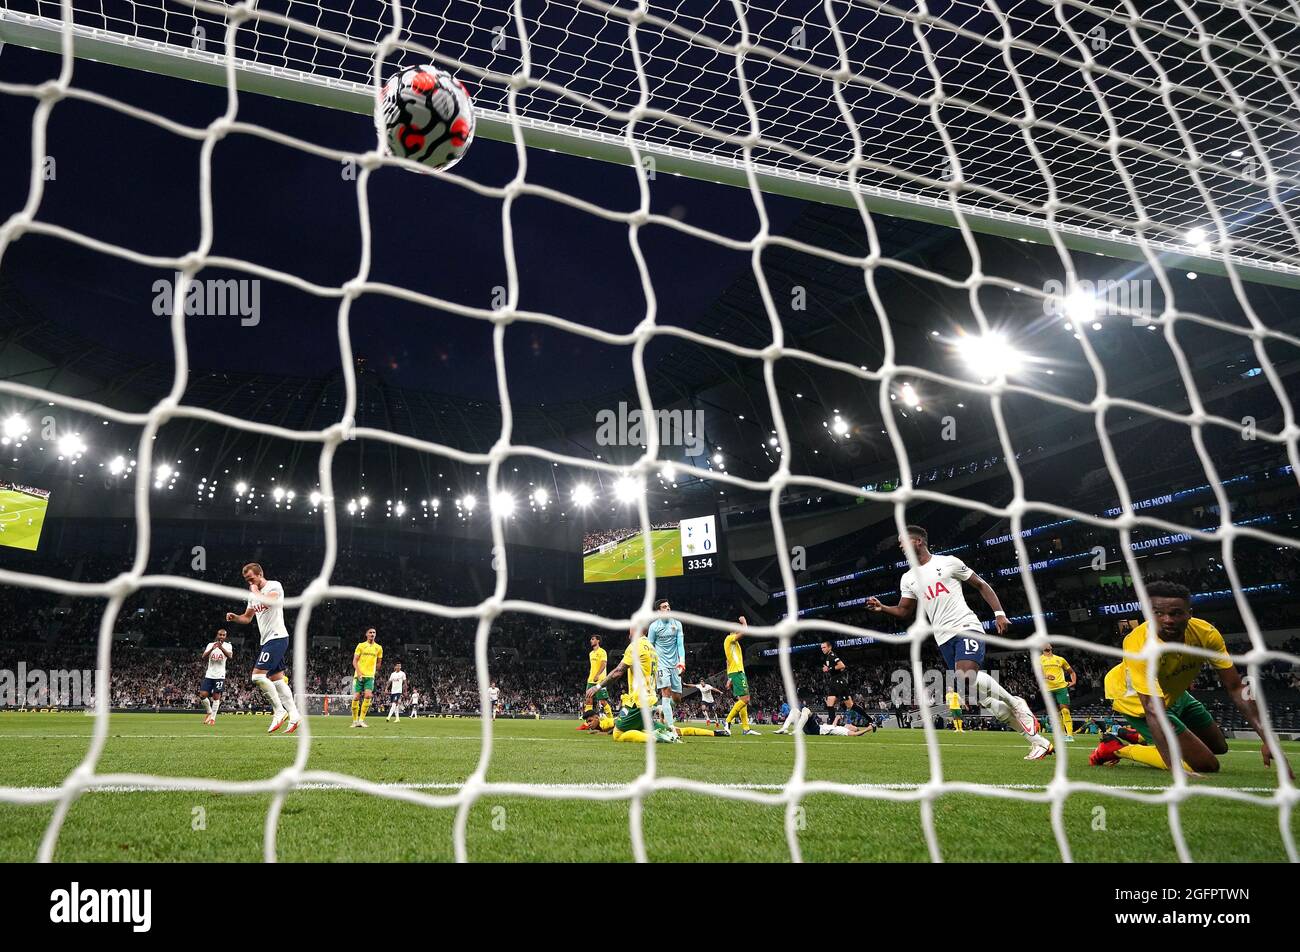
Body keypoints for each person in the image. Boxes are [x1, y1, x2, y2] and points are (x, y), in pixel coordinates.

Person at [867, 525, 1052, 760]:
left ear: (918, 542)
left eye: (903, 541)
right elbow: (904, 611)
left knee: (966, 676)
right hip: (943, 639)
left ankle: (1016, 702)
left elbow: (981, 584)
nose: (900, 546)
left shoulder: (948, 562)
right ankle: (1039, 742)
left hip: (966, 626)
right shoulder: (908, 578)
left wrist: (999, 613)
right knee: (985, 700)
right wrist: (883, 608)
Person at [1091, 580, 1294, 778]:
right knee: (1207, 764)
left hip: (1176, 693)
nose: (1167, 620)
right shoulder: (1139, 645)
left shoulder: (1206, 634)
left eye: (1176, 613)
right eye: (1158, 613)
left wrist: (1268, 740)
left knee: (1219, 746)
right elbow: (1153, 709)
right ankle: (1117, 748)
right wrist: (1175, 769)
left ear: (1189, 614)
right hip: (1136, 699)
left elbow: (1235, 687)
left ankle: (1139, 736)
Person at [225, 562, 301, 734]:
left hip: (278, 637)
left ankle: (279, 711)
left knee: (257, 676)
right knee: (278, 680)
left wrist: (255, 591)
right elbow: (247, 618)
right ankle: (295, 715)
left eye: (251, 578)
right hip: (266, 640)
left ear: (260, 574)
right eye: (246, 580)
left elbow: (269, 600)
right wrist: (235, 617)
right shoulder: (253, 595)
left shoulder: (274, 586)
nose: (249, 582)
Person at [723, 616, 760, 735]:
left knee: (742, 700)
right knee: (746, 699)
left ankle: (746, 728)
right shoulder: (729, 638)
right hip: (737, 672)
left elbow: (727, 661)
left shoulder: (733, 643)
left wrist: (729, 678)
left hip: (736, 672)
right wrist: (744, 623)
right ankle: (727, 721)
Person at [198, 628, 232, 726]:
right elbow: (203, 656)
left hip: (220, 675)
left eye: (223, 635)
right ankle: (209, 712)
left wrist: (221, 648)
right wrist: (212, 648)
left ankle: (213, 718)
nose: (221, 636)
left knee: (216, 697)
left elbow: (230, 657)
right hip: (209, 674)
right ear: (217, 635)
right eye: (220, 635)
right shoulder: (210, 644)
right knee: (202, 695)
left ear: (225, 636)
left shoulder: (228, 646)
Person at [351, 627, 382, 728]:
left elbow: (379, 662)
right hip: (359, 675)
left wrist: (374, 672)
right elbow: (354, 661)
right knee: (356, 697)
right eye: (370, 632)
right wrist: (359, 672)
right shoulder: (361, 646)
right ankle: (355, 721)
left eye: (374, 632)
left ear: (375, 635)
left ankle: (361, 720)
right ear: (366, 634)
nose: (372, 634)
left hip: (369, 676)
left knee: (368, 695)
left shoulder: (379, 648)